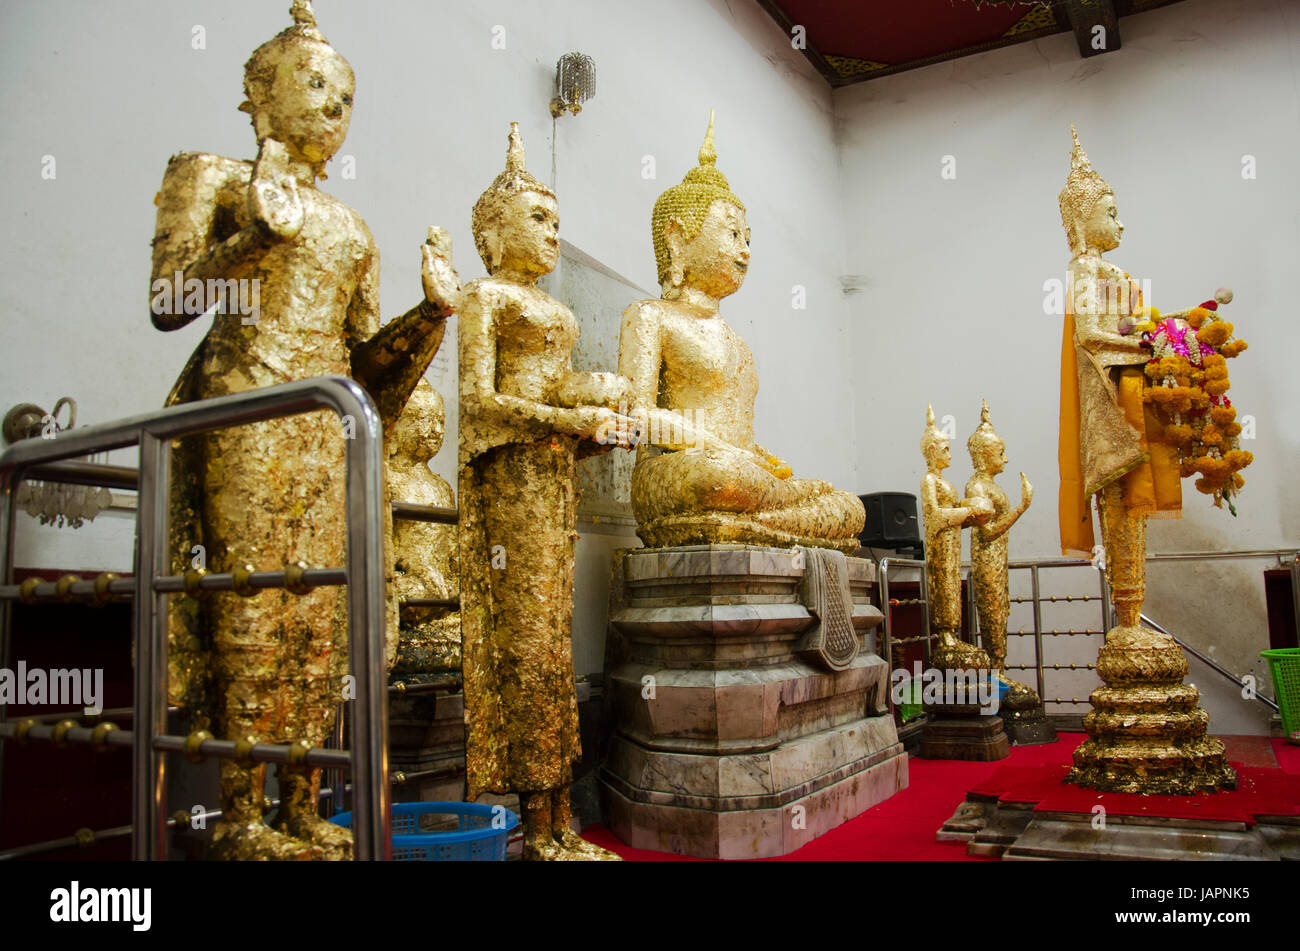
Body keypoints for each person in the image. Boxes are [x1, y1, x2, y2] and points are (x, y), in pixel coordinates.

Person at [152, 1, 459, 858]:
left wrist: (429, 315)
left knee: (321, 613)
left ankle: (302, 799)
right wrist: (254, 233)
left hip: (327, 427)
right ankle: (241, 813)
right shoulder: (212, 174)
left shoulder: (351, 229)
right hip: (243, 407)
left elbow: (370, 375)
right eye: (315, 83)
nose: (334, 106)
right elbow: (168, 302)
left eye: (346, 95)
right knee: (251, 601)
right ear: (259, 91)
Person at [458, 123, 634, 860]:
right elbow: (478, 399)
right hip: (508, 484)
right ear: (492, 232)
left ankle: (559, 817)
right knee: (526, 645)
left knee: (554, 648)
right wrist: (568, 417)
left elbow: (562, 405)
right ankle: (533, 825)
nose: (553, 233)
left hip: (551, 485)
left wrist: (600, 426)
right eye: (538, 218)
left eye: (559, 222)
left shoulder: (556, 315)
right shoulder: (485, 298)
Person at [618, 112, 864, 553]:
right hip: (682, 471)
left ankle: (757, 526)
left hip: (742, 475)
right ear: (677, 240)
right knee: (721, 476)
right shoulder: (651, 315)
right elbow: (636, 416)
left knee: (848, 505)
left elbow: (737, 434)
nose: (745, 250)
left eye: (747, 237)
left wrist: (758, 456)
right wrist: (719, 447)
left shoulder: (737, 340)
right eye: (731, 234)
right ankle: (771, 522)